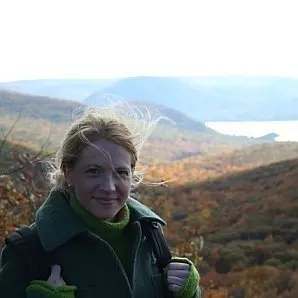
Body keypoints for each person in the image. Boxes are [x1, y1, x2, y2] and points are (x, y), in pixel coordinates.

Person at [0, 102, 201, 298]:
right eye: (94, 171)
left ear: (132, 175)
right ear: (69, 173)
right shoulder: (28, 251)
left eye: (121, 173)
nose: (109, 187)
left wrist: (188, 292)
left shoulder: (149, 236)